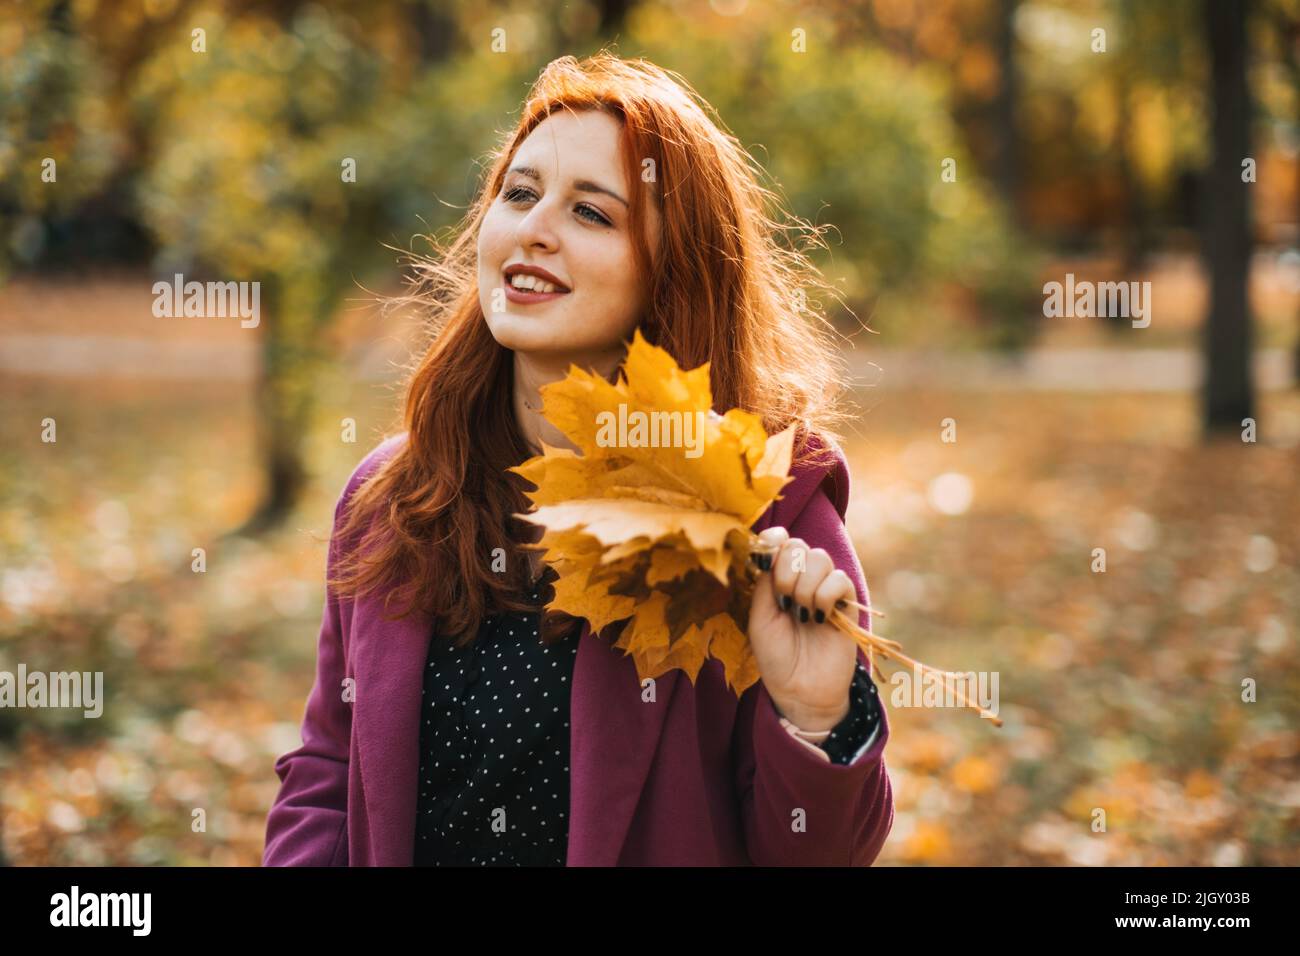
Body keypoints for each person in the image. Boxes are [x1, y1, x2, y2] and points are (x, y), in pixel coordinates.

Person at [262, 52, 893, 867]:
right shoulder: (394, 495)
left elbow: (817, 855)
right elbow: (328, 769)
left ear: (672, 270)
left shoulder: (764, 511)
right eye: (519, 193)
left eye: (592, 212)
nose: (534, 228)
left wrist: (816, 717)